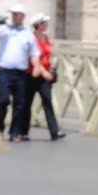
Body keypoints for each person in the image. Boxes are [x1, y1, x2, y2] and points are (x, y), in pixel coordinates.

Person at [0, 4, 36, 141]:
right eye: (13, 14)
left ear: (23, 16)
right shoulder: (4, 30)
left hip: (20, 73)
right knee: (3, 100)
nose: (15, 16)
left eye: (17, 14)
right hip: (4, 71)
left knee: (19, 104)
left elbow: (34, 53)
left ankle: (15, 132)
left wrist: (37, 66)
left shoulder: (28, 34)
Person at [26, 12, 65, 141]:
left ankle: (54, 131)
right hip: (33, 73)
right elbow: (33, 57)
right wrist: (44, 71)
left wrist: (50, 69)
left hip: (45, 75)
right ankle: (24, 131)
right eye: (45, 23)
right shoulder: (31, 38)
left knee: (48, 102)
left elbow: (47, 54)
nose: (47, 25)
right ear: (39, 25)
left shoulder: (46, 37)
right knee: (27, 103)